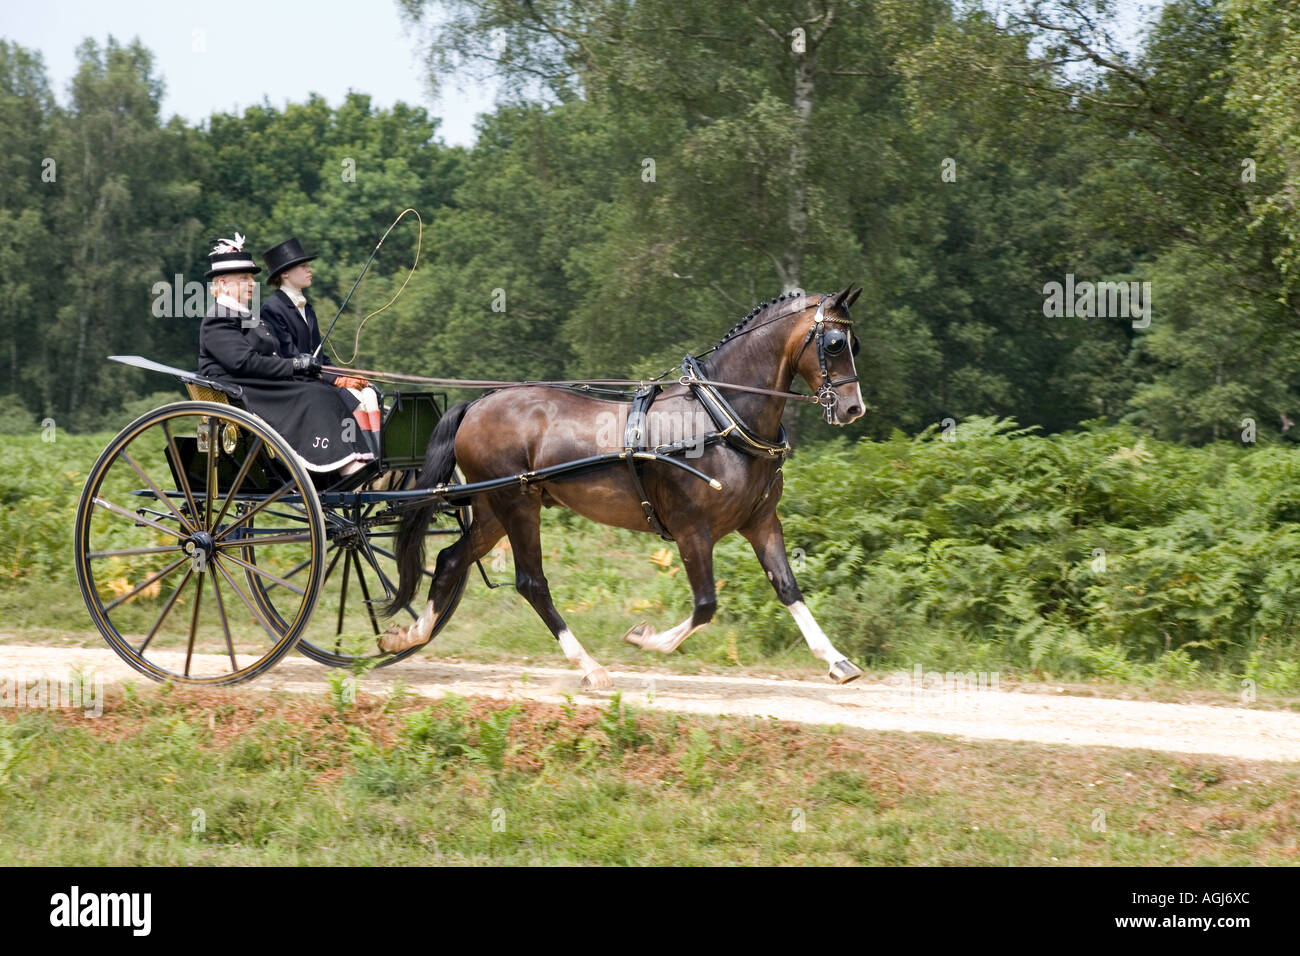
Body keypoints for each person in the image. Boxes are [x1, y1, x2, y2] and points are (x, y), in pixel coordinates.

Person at [197, 232, 377, 477]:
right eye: (244, 278)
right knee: (314, 395)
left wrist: (302, 366)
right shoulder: (218, 318)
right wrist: (294, 365)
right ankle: (338, 463)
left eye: (251, 278)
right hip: (241, 392)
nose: (252, 283)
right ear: (224, 283)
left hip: (260, 384)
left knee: (324, 391)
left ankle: (355, 456)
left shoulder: (249, 317)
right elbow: (243, 362)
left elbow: (271, 354)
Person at [259, 237, 382, 436]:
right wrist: (337, 380)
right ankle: (362, 454)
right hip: (297, 384)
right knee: (355, 400)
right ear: (285, 273)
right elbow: (292, 358)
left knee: (369, 394)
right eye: (304, 266)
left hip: (316, 378)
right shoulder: (272, 309)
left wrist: (346, 375)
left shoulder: (308, 309)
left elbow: (321, 359)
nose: (310, 270)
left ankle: (377, 454)